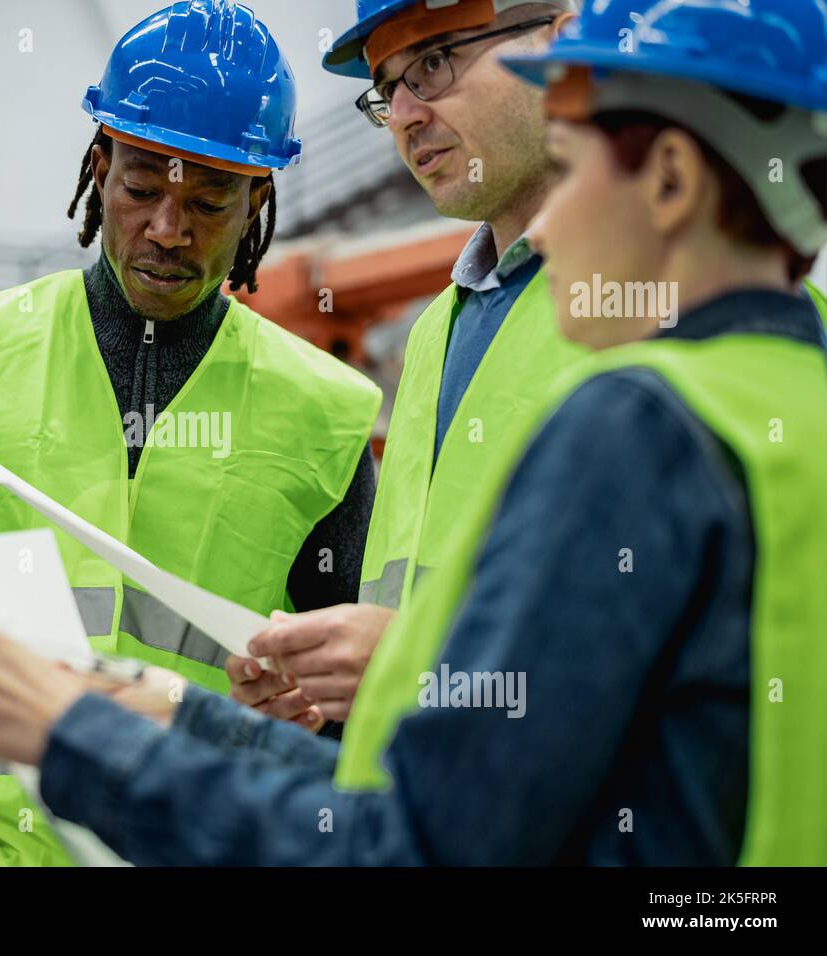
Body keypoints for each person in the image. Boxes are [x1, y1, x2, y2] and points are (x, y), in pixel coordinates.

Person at [0, 0, 827, 866]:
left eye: (573, 169)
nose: (554, 228)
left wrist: (79, 738)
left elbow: (414, 841)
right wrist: (184, 715)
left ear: (669, 181)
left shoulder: (644, 420)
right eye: (386, 88)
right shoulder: (788, 395)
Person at [0, 0, 382, 867]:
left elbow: (354, 686)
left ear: (257, 199)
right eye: (142, 185)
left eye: (210, 198)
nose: (168, 228)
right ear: (98, 164)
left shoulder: (326, 413)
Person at [225, 0, 587, 726]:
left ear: (561, 36)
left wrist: (415, 665)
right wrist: (339, 701)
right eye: (386, 90)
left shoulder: (672, 308)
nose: (404, 115)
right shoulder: (435, 335)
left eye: (433, 62)